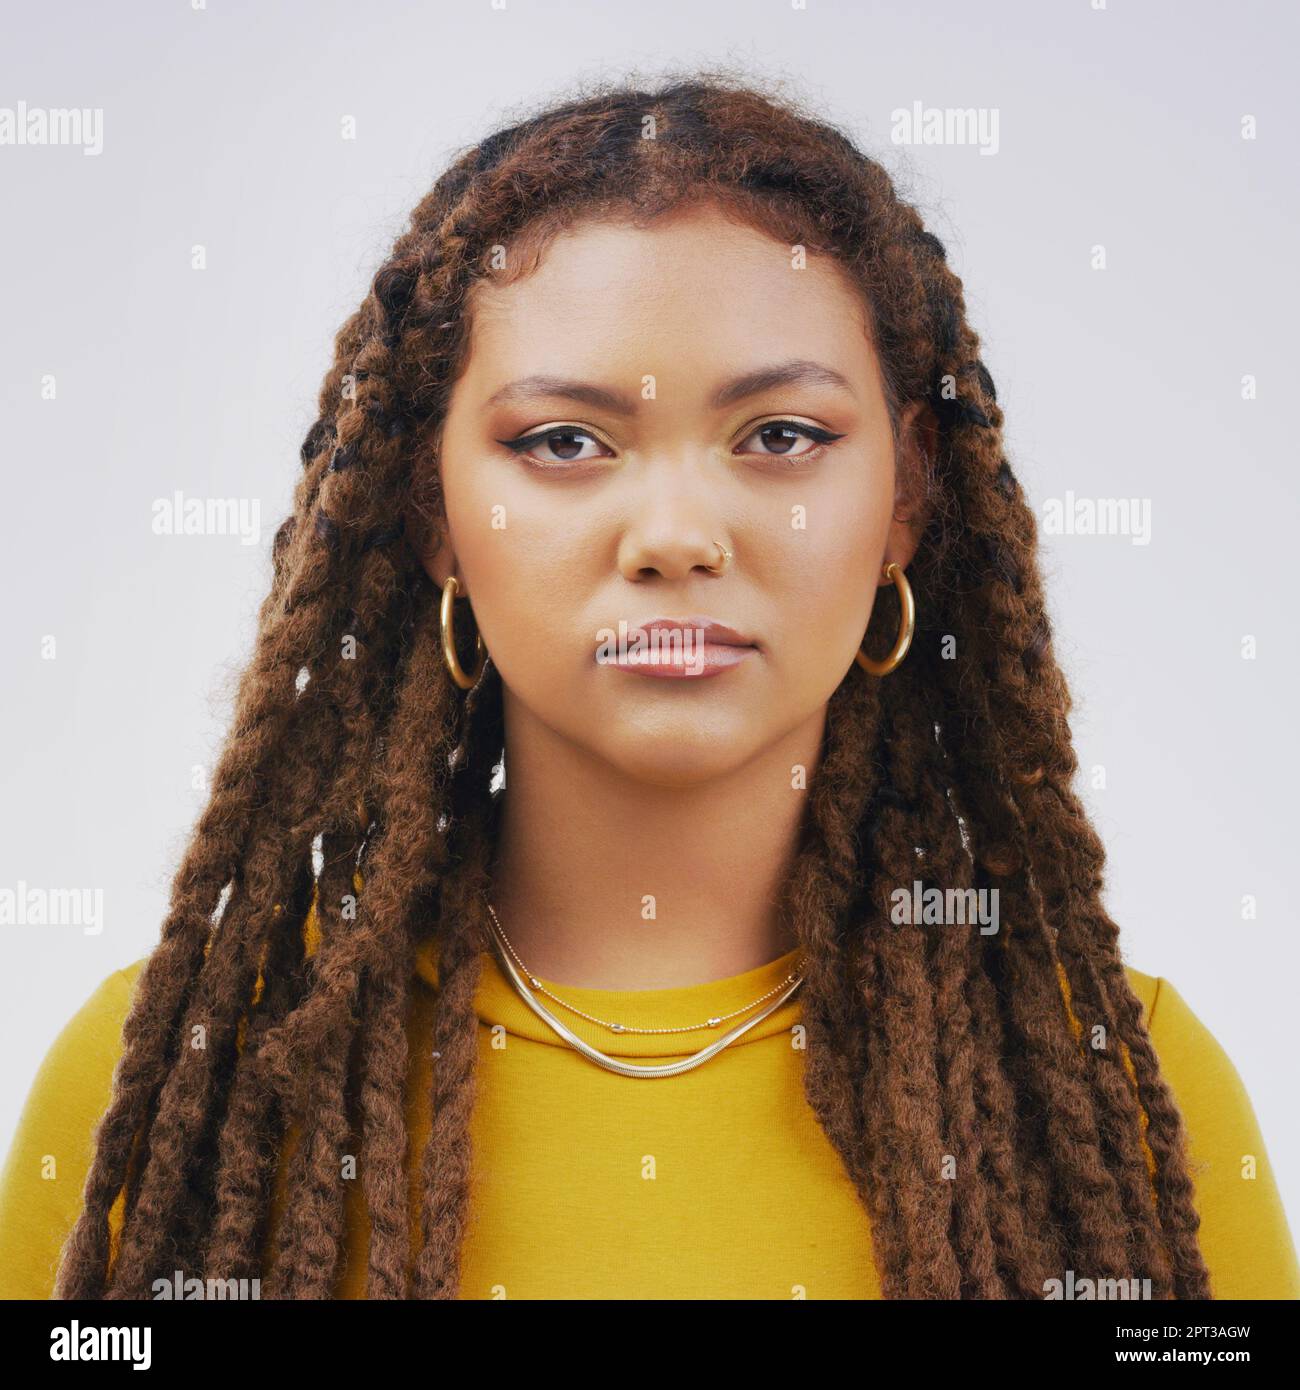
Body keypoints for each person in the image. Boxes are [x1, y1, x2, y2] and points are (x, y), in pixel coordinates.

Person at [1, 72, 1296, 1301]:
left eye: (781, 436)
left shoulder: (1129, 1102)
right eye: (565, 441)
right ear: (434, 515)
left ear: (905, 500)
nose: (676, 533)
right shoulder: (173, 1087)